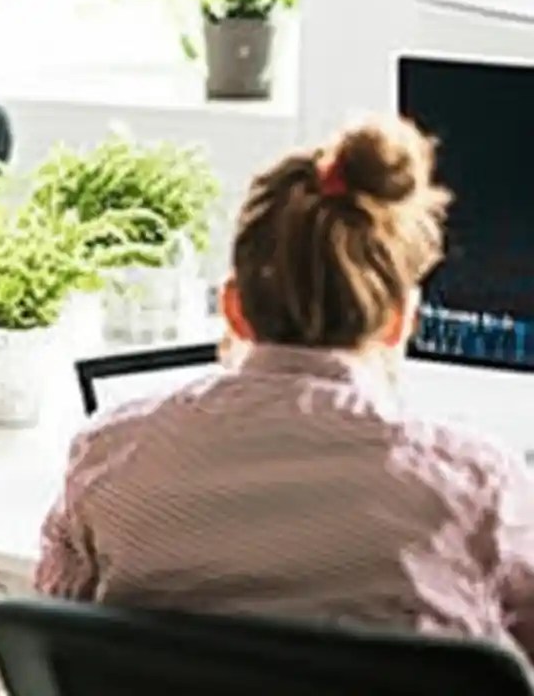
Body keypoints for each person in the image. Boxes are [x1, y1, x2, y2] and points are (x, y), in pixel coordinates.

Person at [36, 114, 534, 665]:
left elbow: (57, 651)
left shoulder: (111, 460)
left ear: (233, 309)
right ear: (399, 321)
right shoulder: (477, 490)